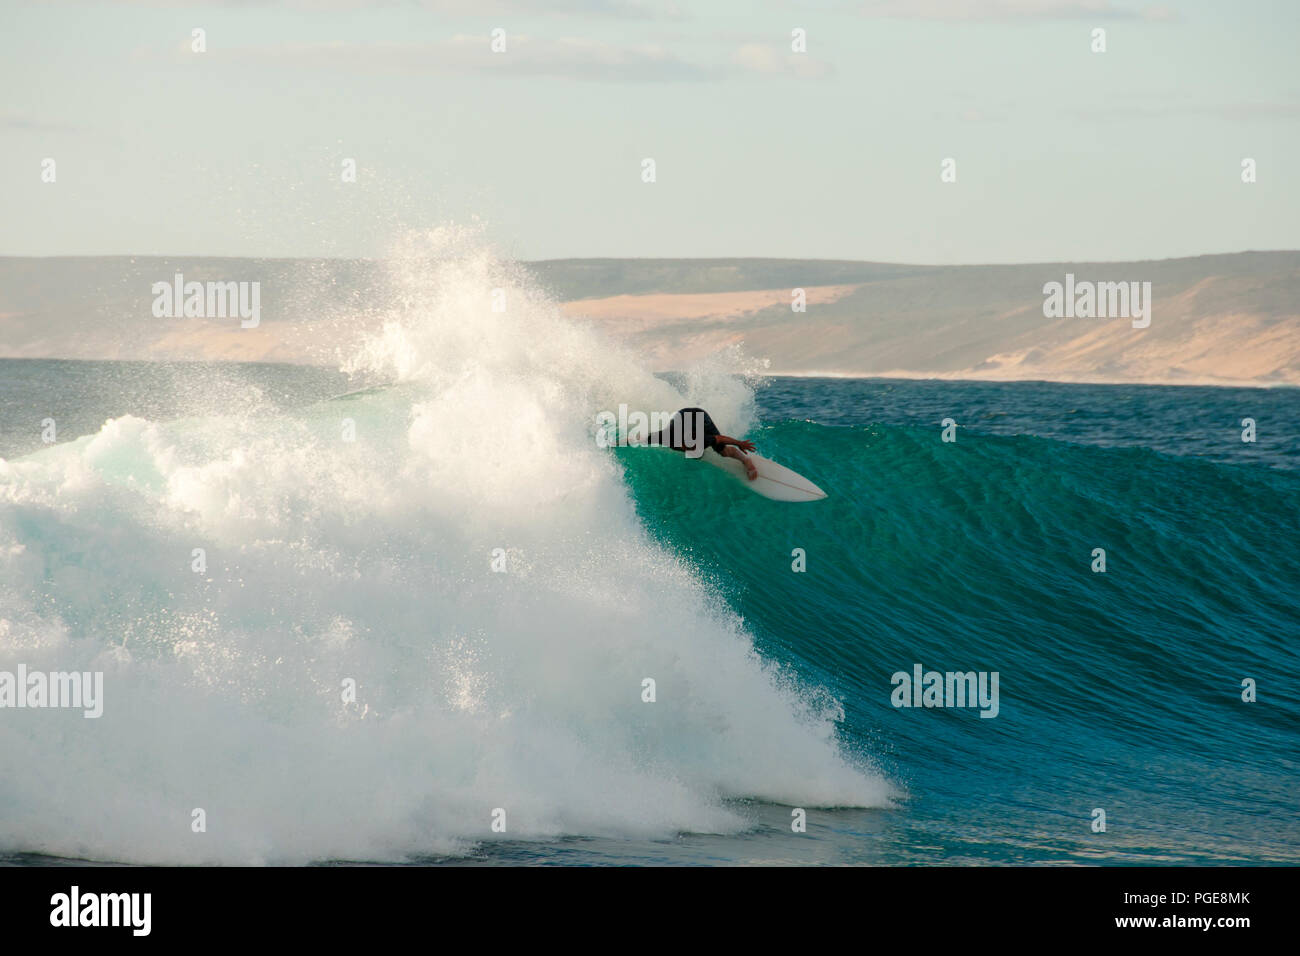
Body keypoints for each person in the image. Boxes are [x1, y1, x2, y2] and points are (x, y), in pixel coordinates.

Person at [647, 407, 758, 480]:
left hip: (700, 416)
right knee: (696, 457)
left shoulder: (704, 439)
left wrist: (739, 443)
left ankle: (746, 461)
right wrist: (628, 441)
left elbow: (720, 438)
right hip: (681, 417)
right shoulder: (667, 438)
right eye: (692, 448)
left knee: (723, 451)